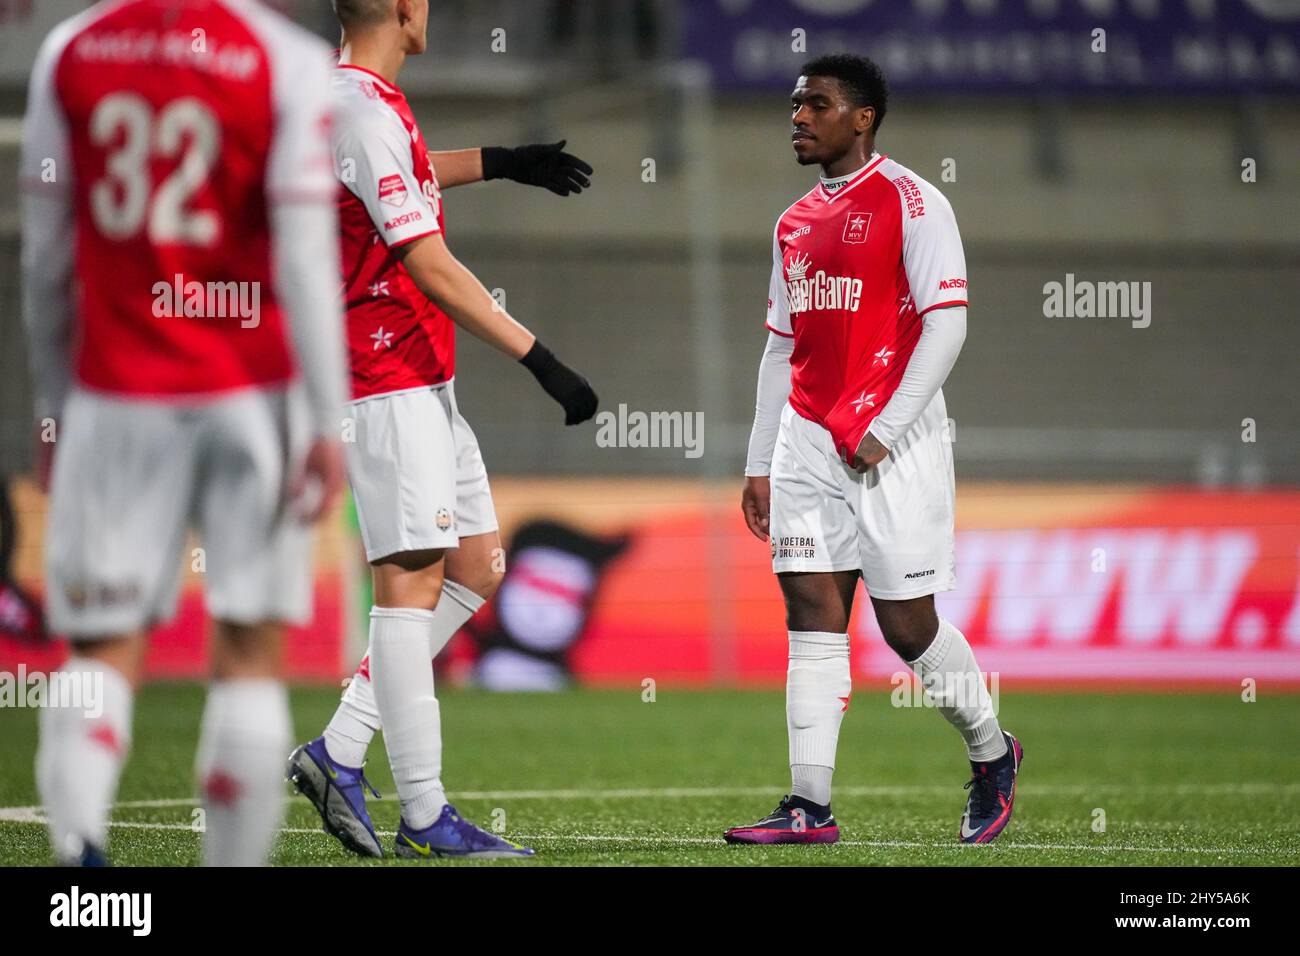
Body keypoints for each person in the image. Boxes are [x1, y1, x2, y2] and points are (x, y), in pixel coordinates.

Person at [21, 0, 349, 865]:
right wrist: (327, 417)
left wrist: (55, 405)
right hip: (254, 394)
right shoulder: (284, 59)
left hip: (114, 391)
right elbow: (306, 257)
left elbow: (45, 257)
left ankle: (81, 866)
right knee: (248, 646)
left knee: (101, 642)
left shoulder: (72, 49)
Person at [285, 0, 598, 860]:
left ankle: (337, 752)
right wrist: (542, 359)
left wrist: (503, 162)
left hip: (424, 376)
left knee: (474, 566)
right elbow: (425, 257)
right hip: (385, 381)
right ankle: (424, 812)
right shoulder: (355, 102)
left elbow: (403, 176)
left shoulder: (368, 98)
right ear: (398, 6)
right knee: (410, 584)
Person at [727, 53, 1022, 847]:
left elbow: (946, 324)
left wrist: (885, 429)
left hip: (895, 441)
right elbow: (778, 349)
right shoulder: (791, 223)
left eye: (815, 104)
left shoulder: (915, 202)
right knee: (811, 612)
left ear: (862, 118)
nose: (798, 116)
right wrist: (759, 459)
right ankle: (808, 807)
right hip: (807, 441)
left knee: (905, 626)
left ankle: (993, 754)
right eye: (794, 104)